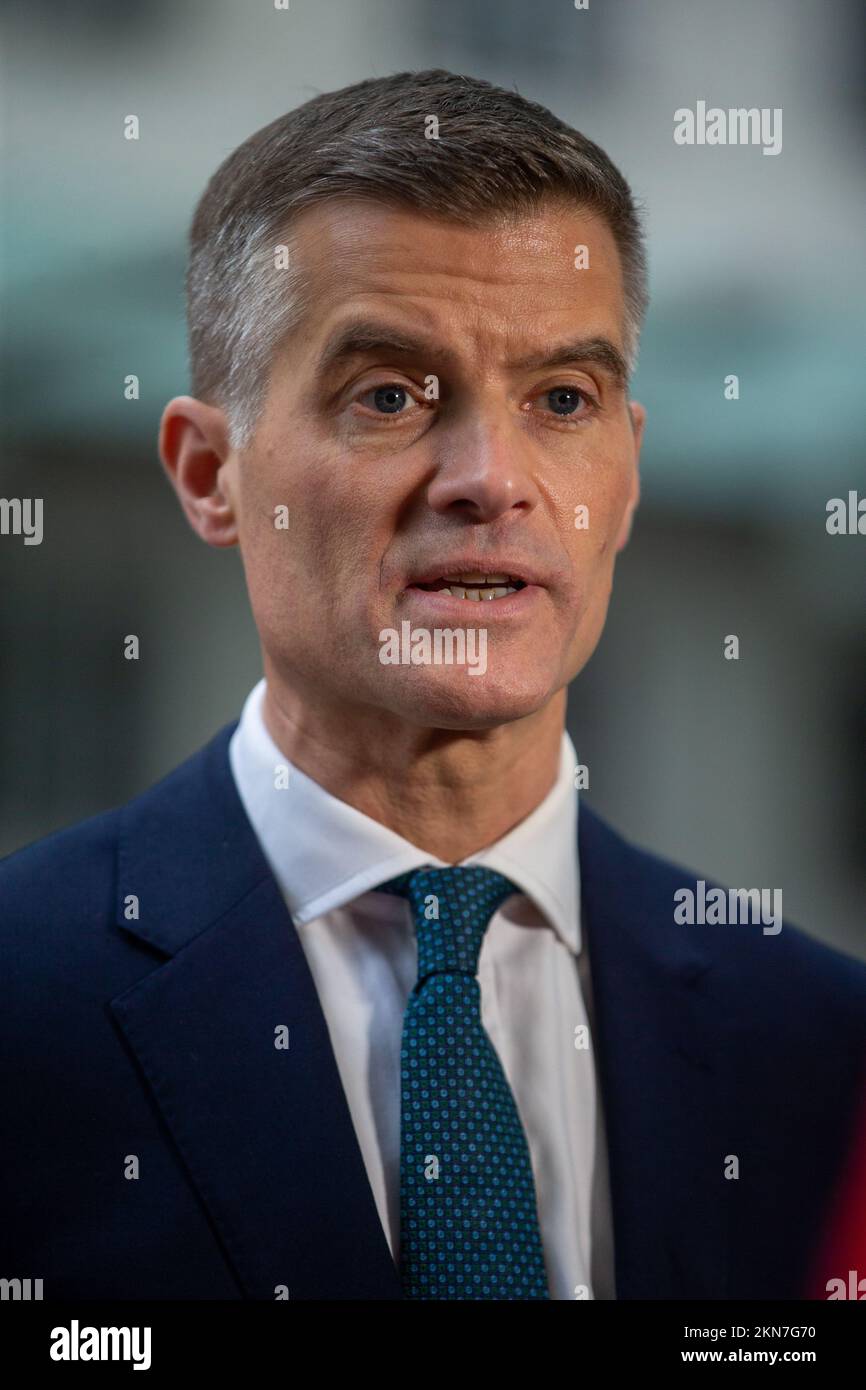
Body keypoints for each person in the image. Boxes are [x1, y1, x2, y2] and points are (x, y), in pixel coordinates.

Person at [2, 69, 864, 1302]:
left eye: (560, 399)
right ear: (210, 472)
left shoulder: (823, 1048)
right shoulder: (20, 999)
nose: (489, 479)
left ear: (625, 472)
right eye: (391, 395)